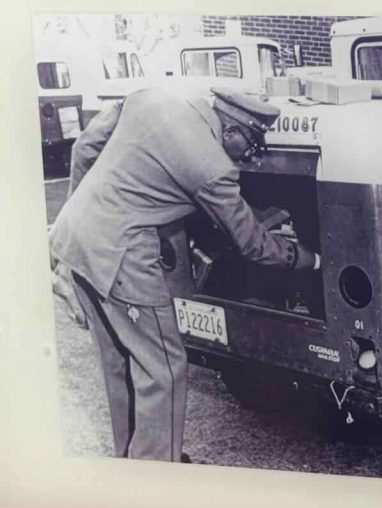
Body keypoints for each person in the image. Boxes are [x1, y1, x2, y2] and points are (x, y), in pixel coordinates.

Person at [49, 86, 320, 463]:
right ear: (231, 131)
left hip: (73, 241)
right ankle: (158, 473)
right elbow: (251, 243)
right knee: (164, 368)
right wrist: (307, 258)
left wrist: (81, 210)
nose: (251, 157)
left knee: (120, 362)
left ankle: (132, 459)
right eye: (252, 145)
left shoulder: (152, 98)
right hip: (121, 257)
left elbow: (85, 147)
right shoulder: (214, 167)